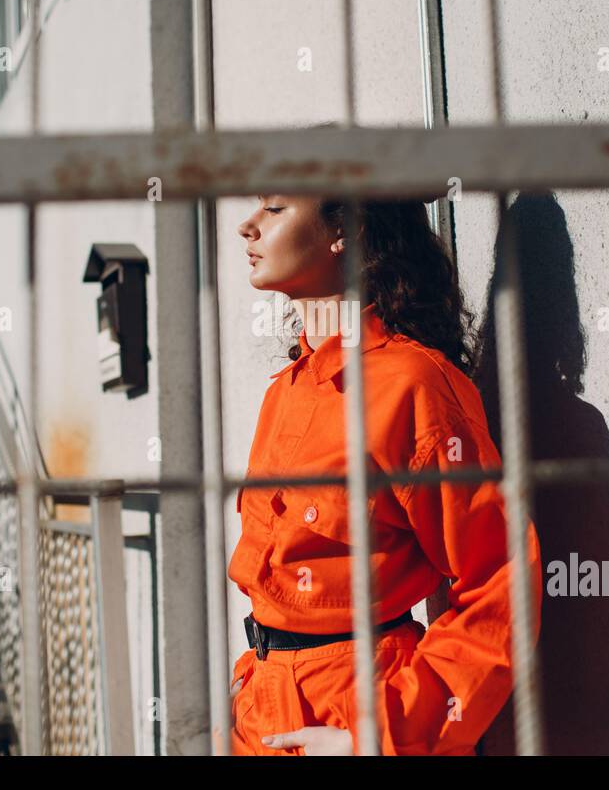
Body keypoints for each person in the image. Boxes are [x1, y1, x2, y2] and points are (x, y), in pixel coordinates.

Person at [228, 193, 543, 756]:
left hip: (360, 712)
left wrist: (377, 737)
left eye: (274, 209)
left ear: (343, 229)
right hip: (261, 712)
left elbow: (501, 584)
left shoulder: (414, 385)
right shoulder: (285, 392)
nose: (246, 228)